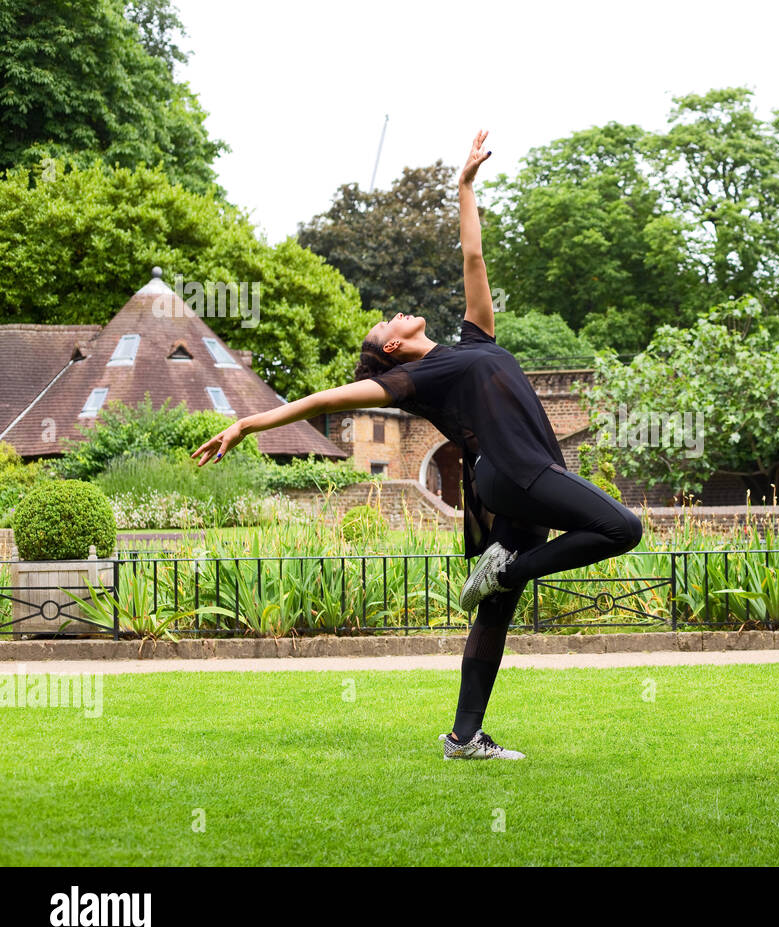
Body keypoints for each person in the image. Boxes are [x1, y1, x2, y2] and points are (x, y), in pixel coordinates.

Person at [193, 130, 643, 761]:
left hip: (510, 483)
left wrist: (463, 187)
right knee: (623, 527)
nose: (397, 314)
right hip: (516, 474)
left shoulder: (474, 342)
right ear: (394, 350)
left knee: (495, 611)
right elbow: (324, 401)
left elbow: (474, 261)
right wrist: (246, 425)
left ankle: (464, 736)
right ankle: (507, 568)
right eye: (389, 324)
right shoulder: (415, 379)